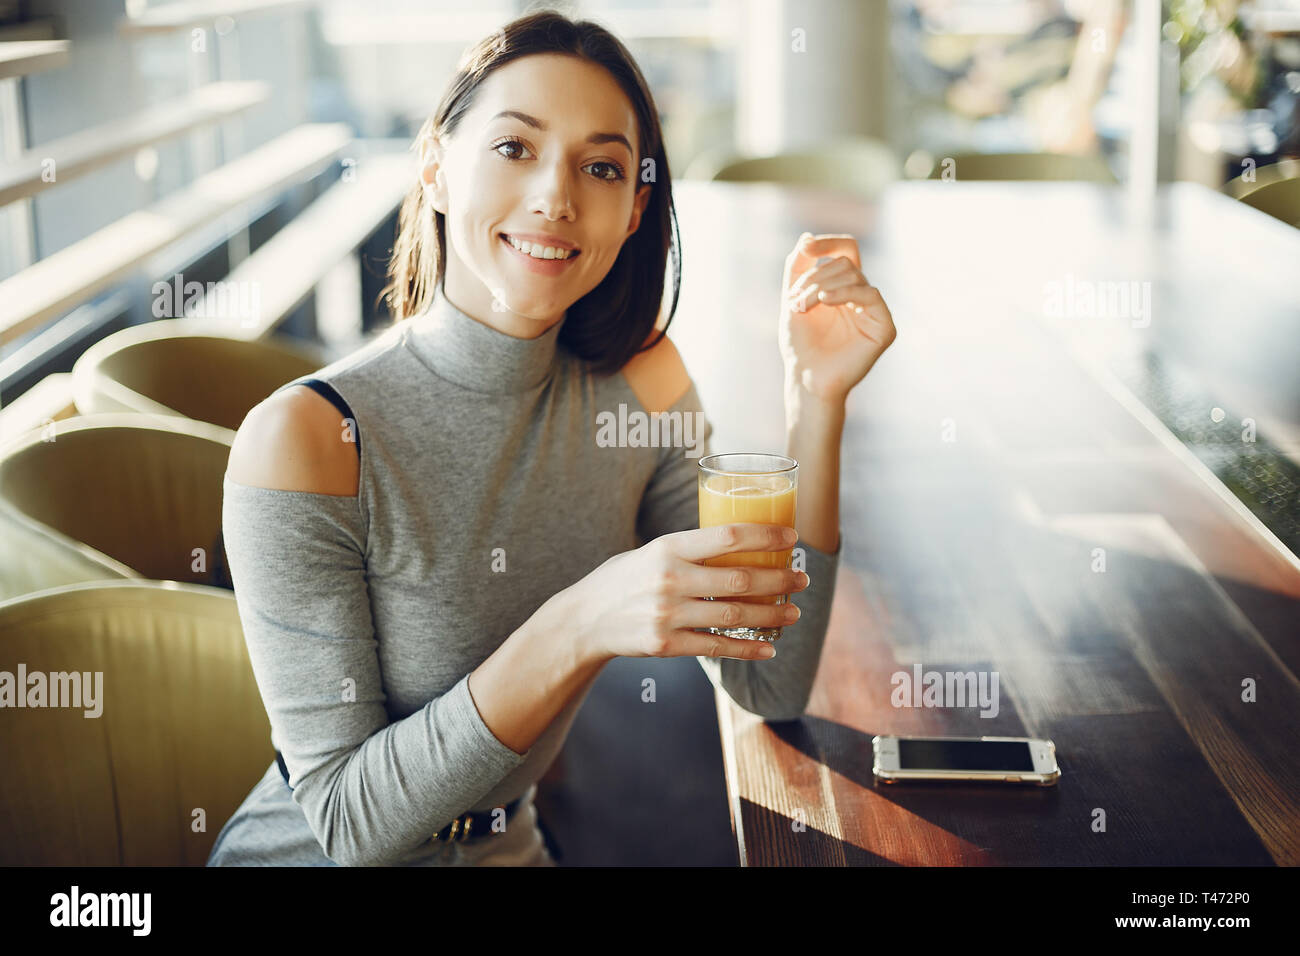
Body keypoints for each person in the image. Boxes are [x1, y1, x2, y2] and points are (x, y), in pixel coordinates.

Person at [207, 9, 895, 867]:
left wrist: (817, 400)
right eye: (513, 147)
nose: (555, 198)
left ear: (636, 208)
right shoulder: (307, 439)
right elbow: (351, 825)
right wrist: (580, 622)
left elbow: (771, 678)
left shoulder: (641, 380)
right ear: (435, 165)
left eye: (601, 166)